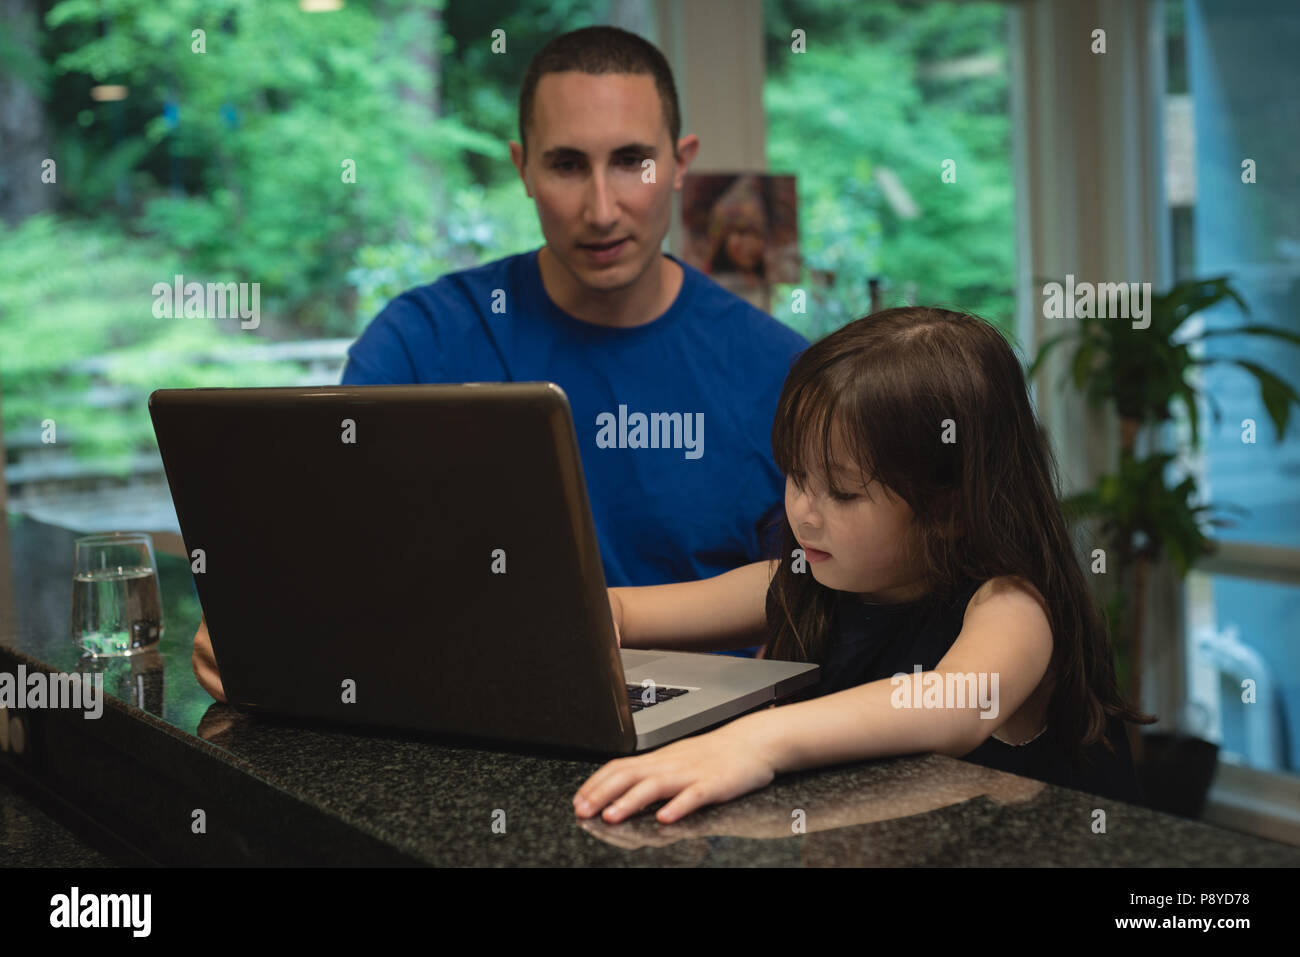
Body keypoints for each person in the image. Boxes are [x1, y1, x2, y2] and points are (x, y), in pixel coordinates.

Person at [192, 26, 806, 701]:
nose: (602, 210)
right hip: (463, 709)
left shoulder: (779, 368)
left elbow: (816, 578)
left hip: (698, 740)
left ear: (681, 162)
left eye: (632, 162)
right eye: (567, 165)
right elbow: (328, 537)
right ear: (522, 169)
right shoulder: (422, 338)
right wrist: (262, 608)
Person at [574, 307, 1157, 824]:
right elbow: (617, 610)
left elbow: (951, 704)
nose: (803, 512)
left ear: (951, 506)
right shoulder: (802, 579)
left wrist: (755, 741)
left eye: (844, 493)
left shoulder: (1012, 608)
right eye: (796, 476)